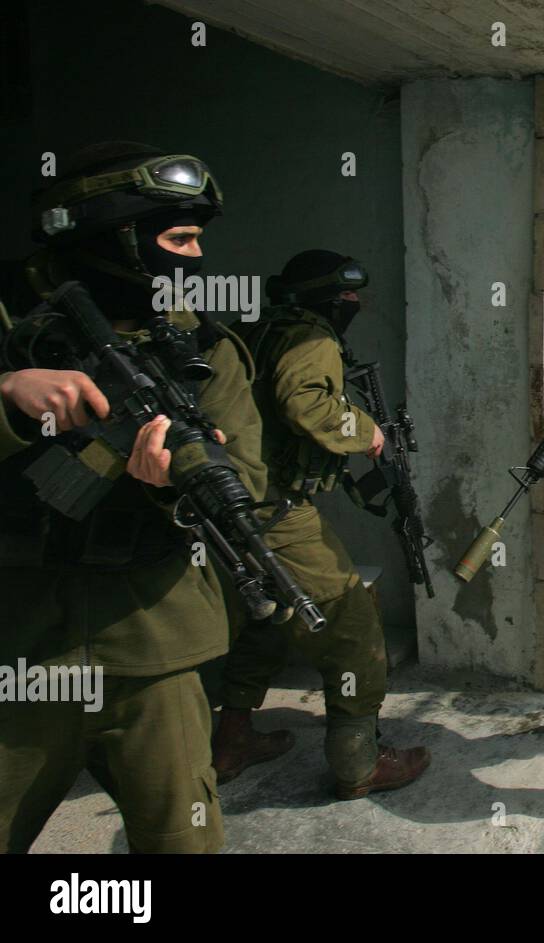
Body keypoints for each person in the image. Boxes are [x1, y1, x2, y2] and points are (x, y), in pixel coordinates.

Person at [0, 141, 261, 852]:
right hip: (22, 641)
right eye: (179, 238)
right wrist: (9, 401)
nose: (196, 258)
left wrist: (179, 482)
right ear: (113, 237)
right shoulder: (11, 329)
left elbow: (251, 482)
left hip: (154, 645)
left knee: (182, 839)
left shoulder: (206, 351)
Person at [212, 249, 429, 800]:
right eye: (347, 297)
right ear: (327, 299)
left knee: (265, 620)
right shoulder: (311, 338)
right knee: (352, 627)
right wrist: (368, 431)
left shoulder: (258, 331)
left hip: (233, 505)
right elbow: (306, 403)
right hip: (276, 513)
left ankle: (231, 739)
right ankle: (358, 763)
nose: (354, 306)